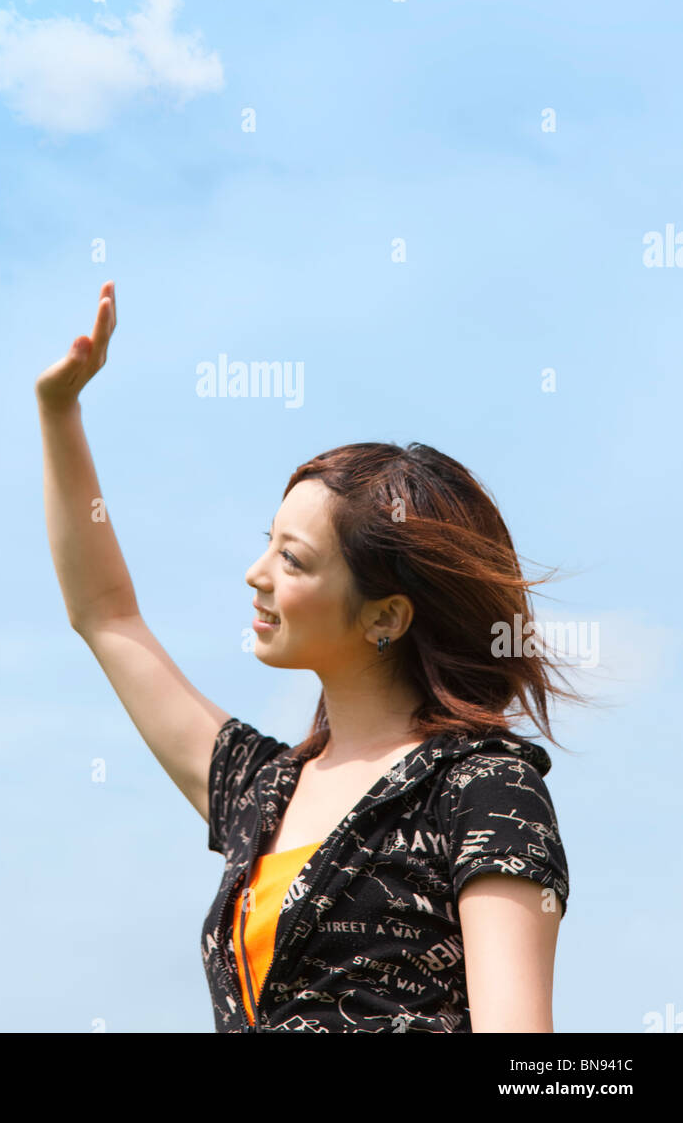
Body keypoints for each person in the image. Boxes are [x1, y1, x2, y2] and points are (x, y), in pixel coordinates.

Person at [35, 280, 588, 1033]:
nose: (256, 574)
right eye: (267, 543)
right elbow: (105, 615)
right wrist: (60, 411)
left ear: (386, 615)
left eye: (293, 559)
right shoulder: (262, 791)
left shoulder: (482, 788)